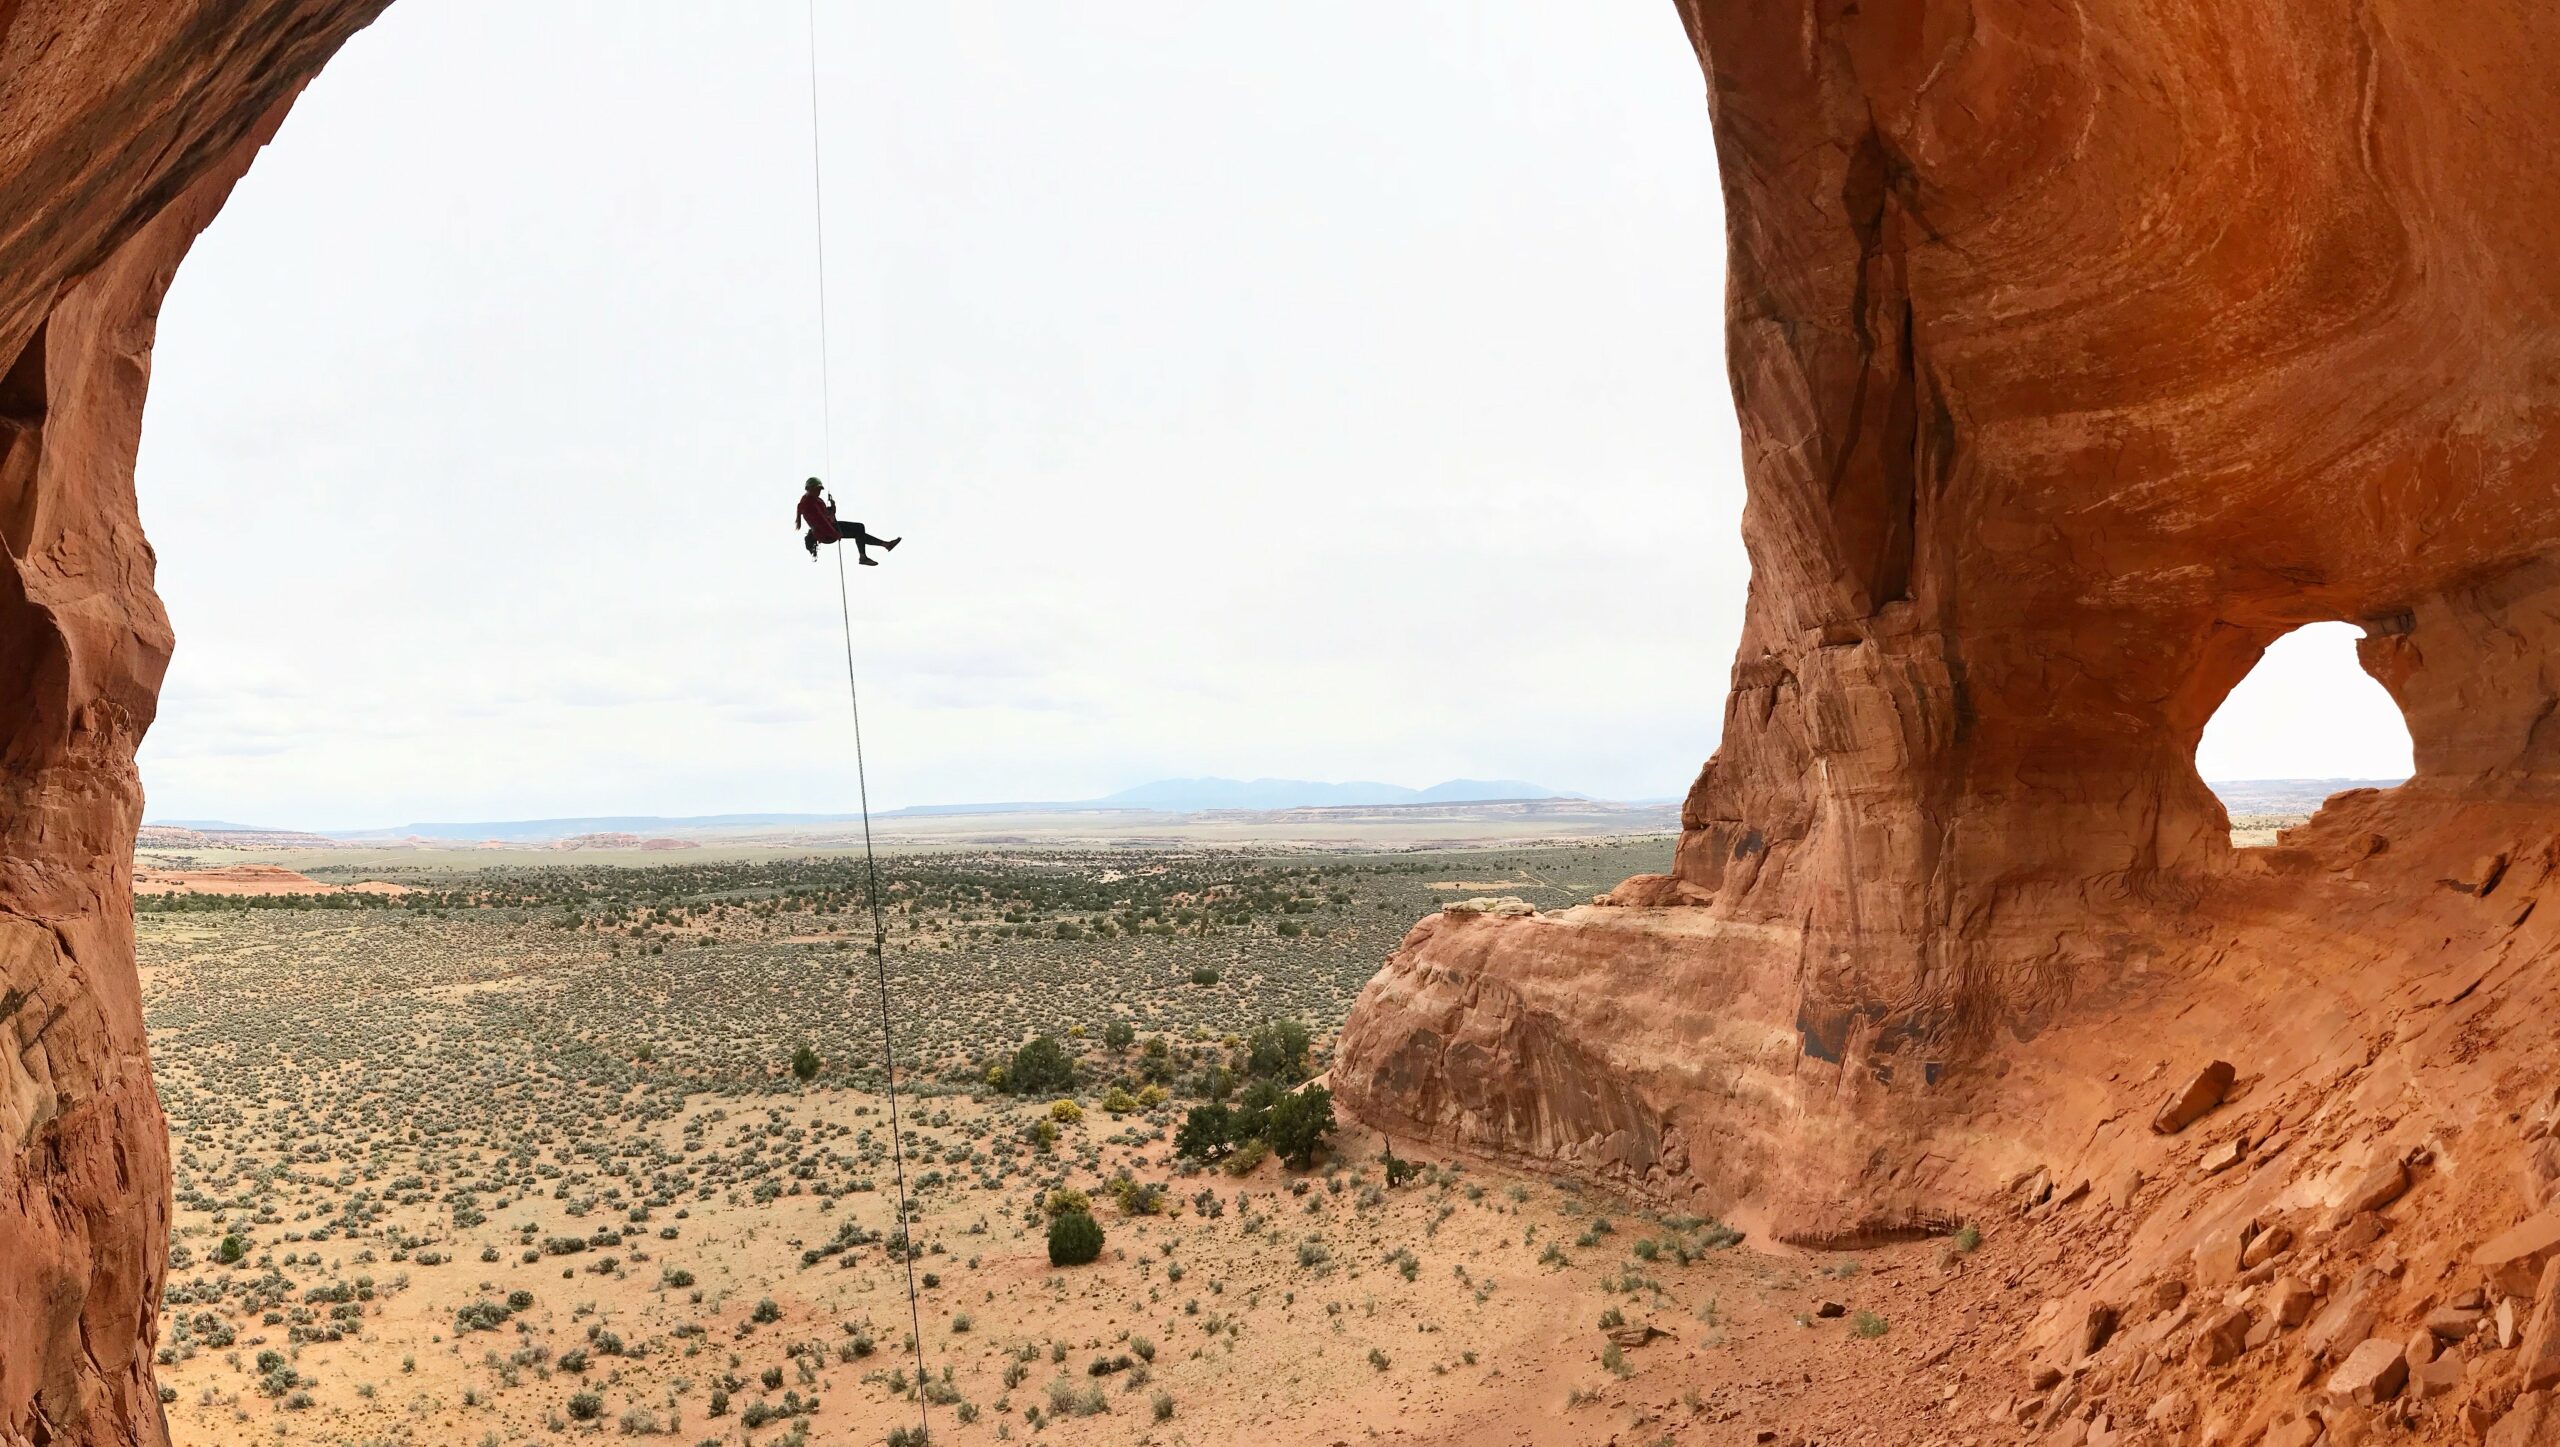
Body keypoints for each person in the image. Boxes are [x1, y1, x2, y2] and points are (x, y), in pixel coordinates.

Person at [795, 478, 901, 564]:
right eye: (816, 489)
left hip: (829, 528)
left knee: (859, 530)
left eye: (820, 489)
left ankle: (884, 545)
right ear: (808, 489)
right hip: (826, 533)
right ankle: (866, 555)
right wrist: (835, 534)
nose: (819, 491)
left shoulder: (815, 500)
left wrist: (833, 507)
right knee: (859, 528)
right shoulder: (809, 504)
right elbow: (821, 521)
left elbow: (827, 514)